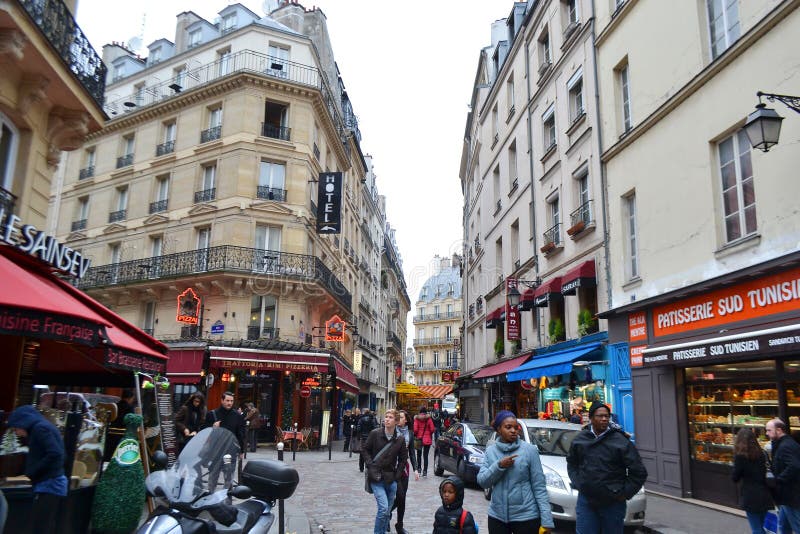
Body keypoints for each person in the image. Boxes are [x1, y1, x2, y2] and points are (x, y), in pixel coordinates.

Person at [567, 402, 648, 534]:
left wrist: (624, 493)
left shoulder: (620, 441)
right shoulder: (580, 439)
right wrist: (580, 484)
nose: (604, 419)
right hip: (587, 500)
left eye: (606, 416)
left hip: (613, 502)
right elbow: (572, 463)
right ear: (591, 418)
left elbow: (639, 472)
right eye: (600, 416)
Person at [478, 410, 554, 534]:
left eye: (515, 427)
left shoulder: (529, 451)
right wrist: (499, 466)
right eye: (508, 427)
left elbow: (539, 486)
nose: (513, 430)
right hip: (497, 517)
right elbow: (482, 481)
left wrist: (547, 521)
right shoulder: (491, 451)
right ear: (498, 430)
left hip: (526, 517)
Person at [8, 405, 69, 534]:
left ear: (23, 422)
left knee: (41, 526)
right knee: (43, 524)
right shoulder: (42, 427)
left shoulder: (40, 429)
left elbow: (55, 453)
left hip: (50, 484)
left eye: (15, 428)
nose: (16, 432)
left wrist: (33, 472)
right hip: (50, 482)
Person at [363, 409, 408, 534]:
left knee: (387, 512)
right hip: (376, 477)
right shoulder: (375, 434)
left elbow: (403, 459)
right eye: (386, 417)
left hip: (391, 479)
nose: (387, 419)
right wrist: (370, 465)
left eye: (390, 417)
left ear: (397, 421)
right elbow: (365, 450)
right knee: (383, 509)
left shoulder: (400, 439)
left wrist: (397, 476)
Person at [731, 428, 773, 534]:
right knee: (760, 527)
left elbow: (735, 478)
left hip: (750, 496)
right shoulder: (762, 453)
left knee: (756, 529)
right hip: (765, 494)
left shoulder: (740, 457)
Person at [205, 391, 246, 491]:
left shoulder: (237, 416)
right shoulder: (212, 414)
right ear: (222, 400)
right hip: (215, 451)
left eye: (231, 401)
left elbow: (240, 434)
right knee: (212, 479)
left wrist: (241, 450)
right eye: (227, 400)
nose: (229, 403)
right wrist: (212, 427)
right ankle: (210, 502)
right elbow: (204, 432)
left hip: (230, 451)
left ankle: (227, 503)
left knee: (229, 480)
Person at [766, 418, 800, 532]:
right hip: (786, 495)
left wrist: (778, 480)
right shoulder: (783, 444)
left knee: (796, 526)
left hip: (791, 494)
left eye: (769, 430)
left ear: (779, 430)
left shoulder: (786, 446)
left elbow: (794, 466)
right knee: (783, 526)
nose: (767, 433)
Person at [390, 410, 419, 534]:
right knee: (400, 496)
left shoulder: (410, 433)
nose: (398, 419)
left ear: (405, 420)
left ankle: (399, 525)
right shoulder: (392, 431)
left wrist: (416, 469)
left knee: (403, 498)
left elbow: (412, 452)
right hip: (393, 467)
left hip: (404, 469)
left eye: (400, 417)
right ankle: (386, 514)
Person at [412, 406, 435, 476]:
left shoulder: (416, 419)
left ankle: (419, 469)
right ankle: (425, 471)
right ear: (426, 412)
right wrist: (429, 435)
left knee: (419, 455)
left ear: (420, 412)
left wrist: (416, 435)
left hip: (419, 439)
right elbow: (432, 429)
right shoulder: (429, 419)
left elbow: (415, 430)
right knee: (426, 456)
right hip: (427, 440)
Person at [357, 408, 379, 472]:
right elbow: (375, 428)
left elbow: (358, 428)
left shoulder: (361, 419)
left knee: (362, 453)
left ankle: (361, 467)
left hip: (363, 438)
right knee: (370, 452)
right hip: (371, 438)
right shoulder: (373, 418)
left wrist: (359, 436)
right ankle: (368, 466)